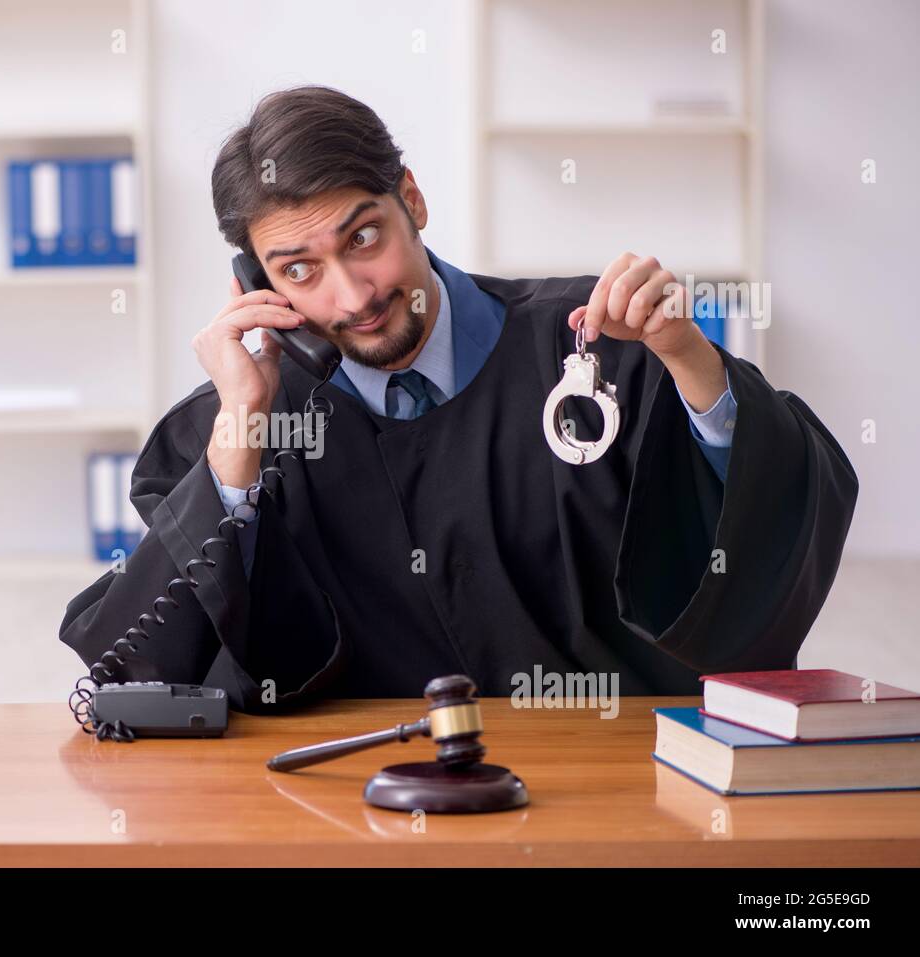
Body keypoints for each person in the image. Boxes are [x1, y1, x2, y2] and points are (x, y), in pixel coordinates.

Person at [60, 85, 858, 713]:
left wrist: (691, 360)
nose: (350, 295)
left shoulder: (600, 348)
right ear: (257, 284)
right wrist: (238, 435)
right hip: (359, 810)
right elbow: (133, 677)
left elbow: (770, 539)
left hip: (621, 787)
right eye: (297, 269)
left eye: (363, 237)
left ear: (412, 199)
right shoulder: (248, 420)